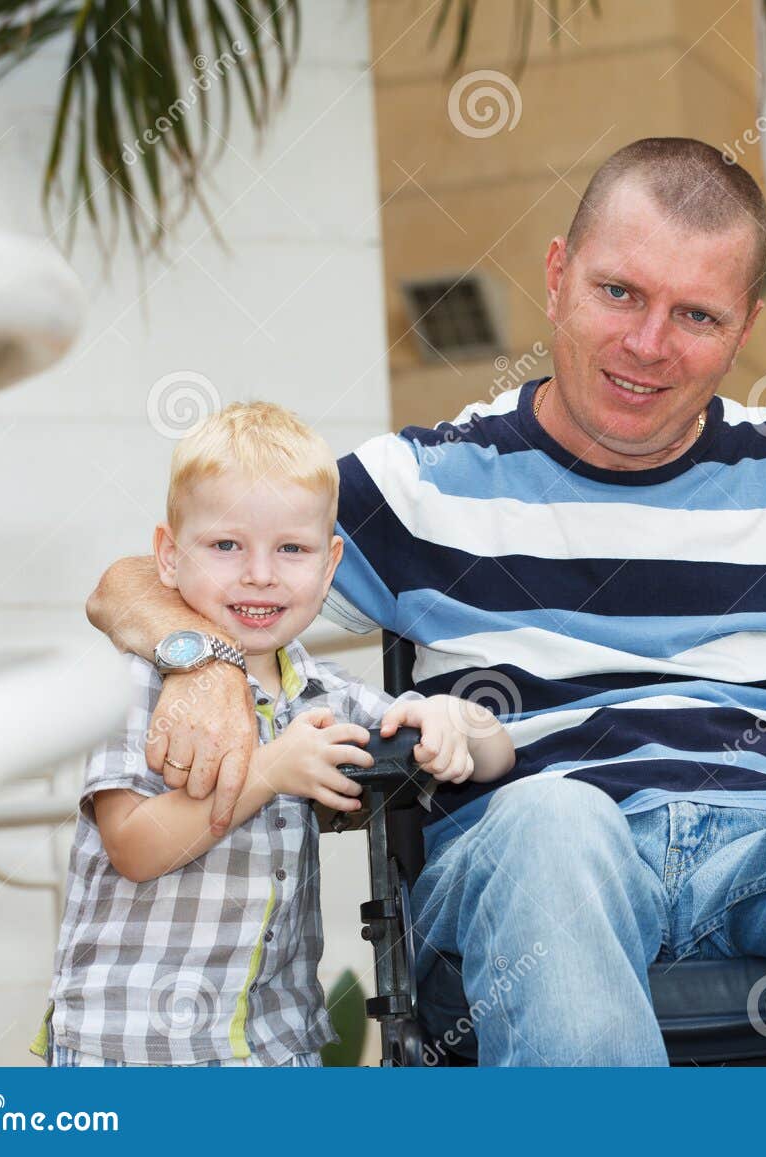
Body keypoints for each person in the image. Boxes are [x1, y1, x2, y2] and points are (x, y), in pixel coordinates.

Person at [86, 139, 766, 1066]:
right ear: (557, 275)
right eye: (618, 292)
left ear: (744, 327)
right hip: (531, 851)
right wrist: (199, 661)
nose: (646, 345)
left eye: (695, 315)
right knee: (557, 820)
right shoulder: (427, 482)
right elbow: (136, 578)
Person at [34, 401, 513, 1067]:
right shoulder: (138, 680)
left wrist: (451, 719)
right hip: (137, 1045)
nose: (259, 572)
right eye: (226, 545)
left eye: (291, 548)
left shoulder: (323, 694)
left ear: (328, 564)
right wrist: (268, 771)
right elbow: (134, 848)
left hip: (275, 1045)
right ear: (169, 557)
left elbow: (498, 755)